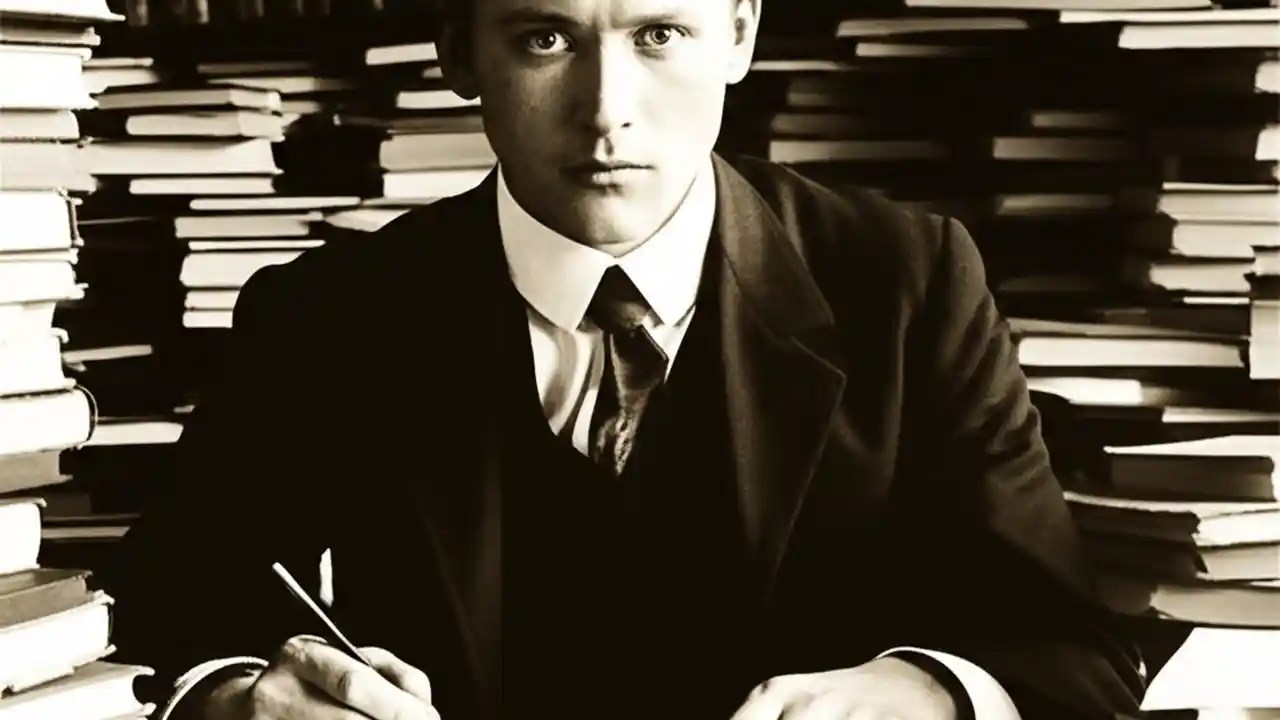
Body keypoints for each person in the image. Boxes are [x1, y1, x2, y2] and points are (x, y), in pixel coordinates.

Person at [104, 0, 1147, 718]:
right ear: (458, 50)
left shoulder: (908, 282)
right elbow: (171, 612)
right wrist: (240, 697)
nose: (608, 111)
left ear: (737, 34)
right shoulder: (322, 314)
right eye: (545, 37)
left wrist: (925, 689)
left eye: (659, 33)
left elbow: (1071, 654)